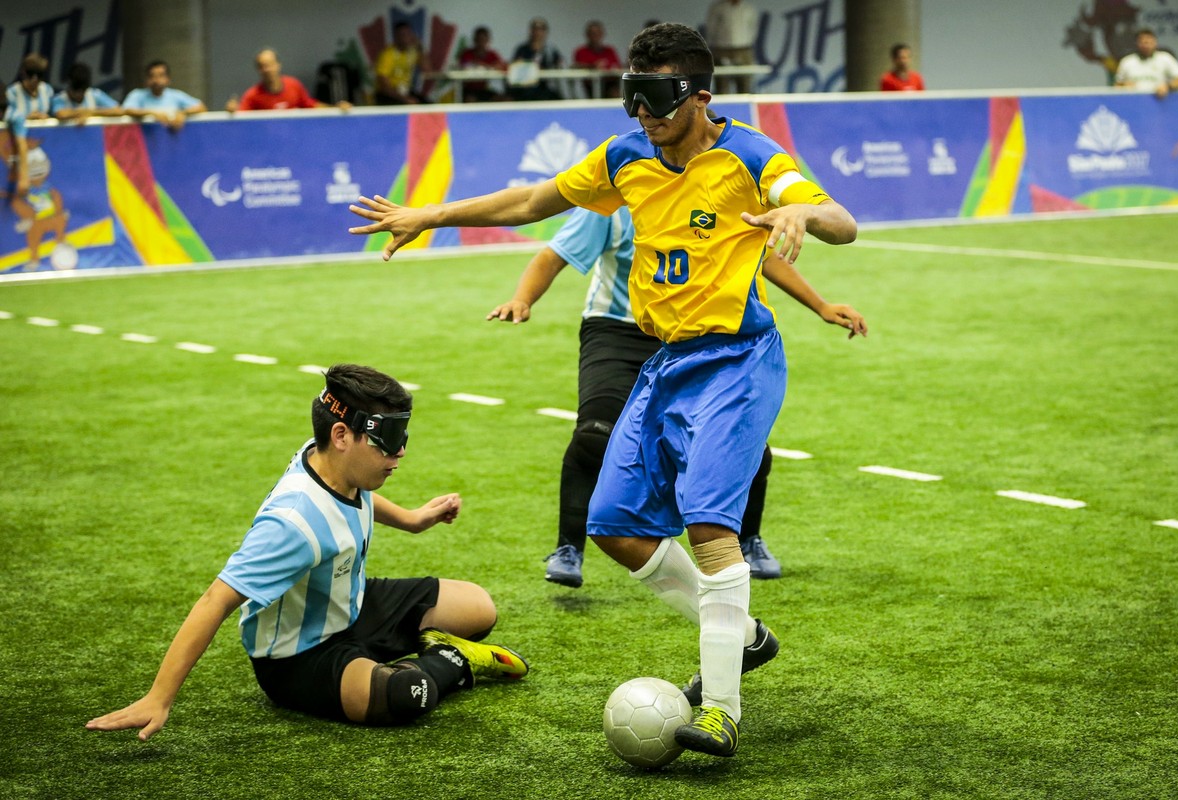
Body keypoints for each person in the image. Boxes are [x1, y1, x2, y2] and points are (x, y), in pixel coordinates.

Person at [348, 23, 857, 758]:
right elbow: (533, 201)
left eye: (654, 97)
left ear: (699, 96)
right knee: (613, 524)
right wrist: (432, 214)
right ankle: (738, 634)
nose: (641, 114)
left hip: (739, 362)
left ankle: (720, 709)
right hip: (664, 360)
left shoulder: (751, 156)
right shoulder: (627, 157)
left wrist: (802, 212)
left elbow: (842, 223)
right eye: (631, 96)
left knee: (710, 527)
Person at [85, 364, 529, 740]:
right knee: (407, 694)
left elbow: (357, 494)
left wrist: (414, 520)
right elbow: (215, 600)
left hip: (349, 605)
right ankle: (452, 659)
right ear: (341, 435)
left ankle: (414, 650)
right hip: (300, 657)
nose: (400, 453)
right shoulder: (292, 523)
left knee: (479, 608)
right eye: (388, 442)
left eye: (402, 437)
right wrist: (158, 698)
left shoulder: (328, 460)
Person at [487, 207, 866, 588]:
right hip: (616, 333)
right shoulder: (611, 206)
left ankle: (748, 540)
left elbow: (759, 255)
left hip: (693, 335)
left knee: (746, 446)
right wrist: (523, 299)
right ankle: (568, 549)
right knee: (594, 433)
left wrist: (821, 305)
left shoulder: (710, 193)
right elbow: (552, 255)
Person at [229, 49, 352, 112]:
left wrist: (336, 108)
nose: (267, 69)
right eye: (262, 66)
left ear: (278, 65)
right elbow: (240, 116)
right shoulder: (252, 95)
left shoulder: (294, 85)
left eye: (270, 64)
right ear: (258, 70)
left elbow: (311, 105)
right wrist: (231, 111)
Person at [4, 54, 54, 198]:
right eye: (31, 74)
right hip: (17, 153)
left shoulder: (48, 91)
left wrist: (47, 118)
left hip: (46, 154)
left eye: (40, 75)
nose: (35, 79)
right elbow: (17, 129)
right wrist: (27, 117)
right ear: (23, 73)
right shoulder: (11, 94)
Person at [122, 60, 208, 130]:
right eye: (152, 76)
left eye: (161, 76)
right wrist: (152, 113)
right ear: (147, 79)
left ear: (168, 79)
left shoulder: (176, 95)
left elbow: (201, 107)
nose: (156, 80)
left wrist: (182, 114)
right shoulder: (137, 94)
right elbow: (127, 110)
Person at [705, 0, 759, 94]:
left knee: (744, 83)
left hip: (743, 50)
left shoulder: (748, 8)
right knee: (722, 84)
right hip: (722, 49)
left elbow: (753, 28)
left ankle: (744, 105)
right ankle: (723, 107)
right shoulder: (718, 8)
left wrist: (747, 43)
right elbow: (711, 28)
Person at [1114, 28, 1178, 98]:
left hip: (1159, 103)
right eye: (1142, 42)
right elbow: (1116, 86)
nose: (1146, 45)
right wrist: (1124, 86)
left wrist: (1167, 86)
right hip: (1133, 103)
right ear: (1137, 43)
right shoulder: (1127, 61)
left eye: (1148, 42)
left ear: (1155, 42)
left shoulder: (1165, 58)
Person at [374, 20, 430, 105]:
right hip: (388, 94)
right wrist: (405, 99)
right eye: (403, 35)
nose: (407, 38)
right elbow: (384, 86)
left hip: (405, 91)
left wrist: (420, 48)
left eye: (409, 34)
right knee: (407, 106)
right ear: (396, 37)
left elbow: (427, 71)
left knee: (430, 106)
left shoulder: (413, 52)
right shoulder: (387, 54)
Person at [509, 17, 564, 101]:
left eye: (541, 30)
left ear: (545, 32)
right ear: (531, 31)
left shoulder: (551, 50)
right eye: (535, 29)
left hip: (545, 88)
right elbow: (516, 68)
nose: (537, 32)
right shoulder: (522, 49)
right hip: (525, 89)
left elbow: (560, 65)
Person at [50, 62, 125, 123]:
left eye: (82, 91)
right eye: (75, 90)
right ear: (69, 84)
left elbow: (118, 110)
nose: (78, 95)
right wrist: (80, 113)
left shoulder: (95, 95)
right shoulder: (59, 99)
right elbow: (60, 114)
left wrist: (91, 113)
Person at [457, 25, 508, 103]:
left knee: (504, 99)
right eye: (479, 40)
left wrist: (485, 66)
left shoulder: (492, 54)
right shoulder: (467, 54)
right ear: (474, 40)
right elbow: (464, 66)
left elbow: (502, 66)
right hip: (469, 90)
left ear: (488, 41)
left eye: (484, 40)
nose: (481, 43)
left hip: (484, 90)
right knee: (470, 100)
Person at [572, 20, 622, 98]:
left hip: (610, 84)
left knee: (615, 93)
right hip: (589, 87)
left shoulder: (610, 50)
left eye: (598, 33)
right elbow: (576, 67)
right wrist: (592, 66)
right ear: (587, 35)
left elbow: (617, 66)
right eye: (592, 33)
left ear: (602, 34)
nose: (595, 36)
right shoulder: (581, 51)